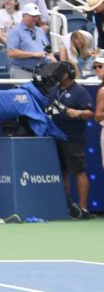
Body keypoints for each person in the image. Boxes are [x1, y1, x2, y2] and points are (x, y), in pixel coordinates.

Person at [49, 62, 100, 217]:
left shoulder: (79, 91)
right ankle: (66, 206)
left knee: (78, 171)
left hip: (73, 138)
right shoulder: (54, 90)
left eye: (60, 72)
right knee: (62, 173)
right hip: (55, 136)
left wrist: (77, 113)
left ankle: (83, 209)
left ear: (68, 74)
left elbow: (91, 114)